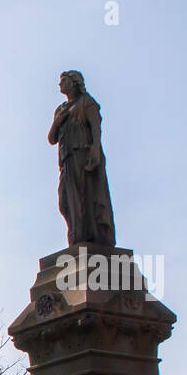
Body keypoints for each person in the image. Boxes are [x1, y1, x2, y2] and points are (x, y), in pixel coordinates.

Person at [48, 70, 116, 247]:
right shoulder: (60, 109)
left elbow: (95, 129)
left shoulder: (87, 102)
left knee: (84, 195)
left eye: (63, 81)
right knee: (65, 201)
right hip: (66, 160)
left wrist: (94, 152)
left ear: (74, 83)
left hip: (83, 154)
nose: (60, 84)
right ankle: (76, 237)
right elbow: (51, 138)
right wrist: (58, 120)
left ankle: (84, 237)